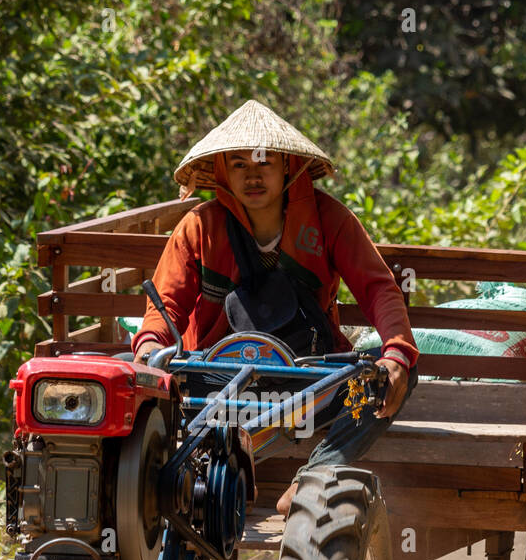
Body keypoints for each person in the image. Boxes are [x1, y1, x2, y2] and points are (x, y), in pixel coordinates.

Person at [133, 100, 419, 515]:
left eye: (264, 162)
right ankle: (151, 492)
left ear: (287, 166)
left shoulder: (330, 220)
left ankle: (315, 474)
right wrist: (149, 350)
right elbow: (166, 304)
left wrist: (396, 352)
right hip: (211, 387)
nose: (252, 175)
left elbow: (378, 289)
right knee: (125, 371)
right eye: (238, 164)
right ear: (222, 173)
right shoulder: (198, 227)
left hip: (310, 385)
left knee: (394, 373)